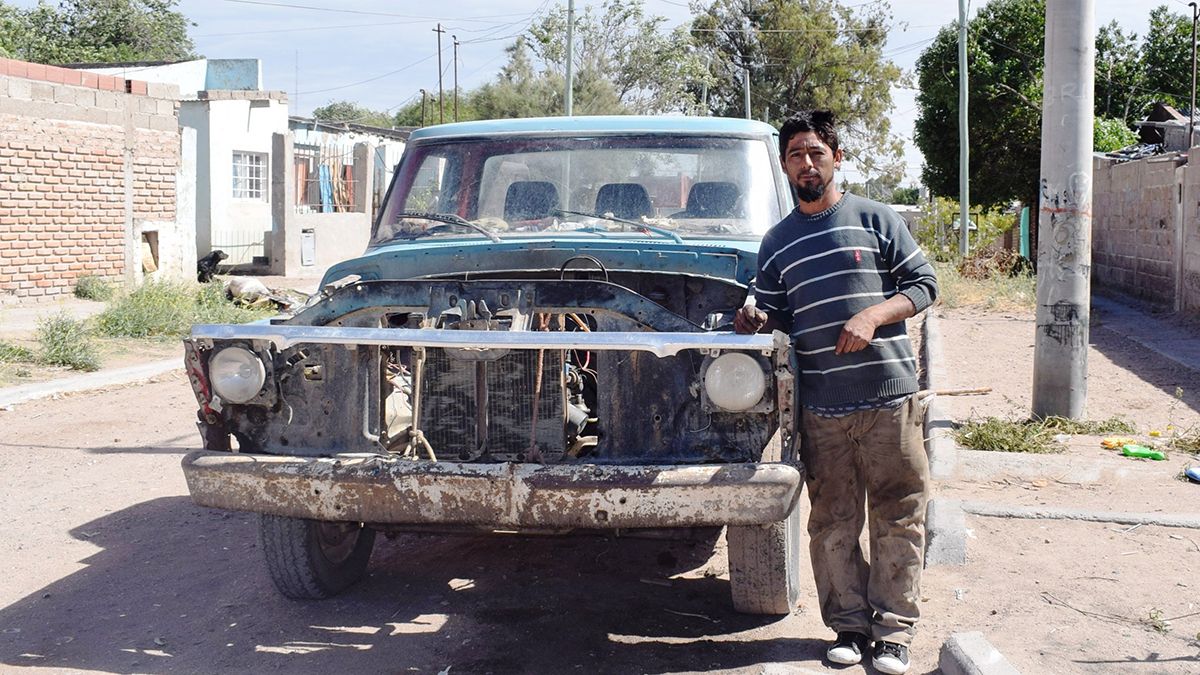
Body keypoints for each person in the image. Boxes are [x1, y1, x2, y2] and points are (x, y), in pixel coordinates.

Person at [735, 110, 938, 675]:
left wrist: (873, 315)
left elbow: (925, 285)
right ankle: (849, 627)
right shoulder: (776, 243)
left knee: (899, 514)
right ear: (784, 166)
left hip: (889, 400)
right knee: (832, 522)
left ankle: (894, 633)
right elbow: (770, 309)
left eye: (816, 152)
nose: (806, 163)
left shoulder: (876, 219)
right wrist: (751, 317)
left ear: (836, 158)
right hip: (822, 409)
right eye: (796, 154)